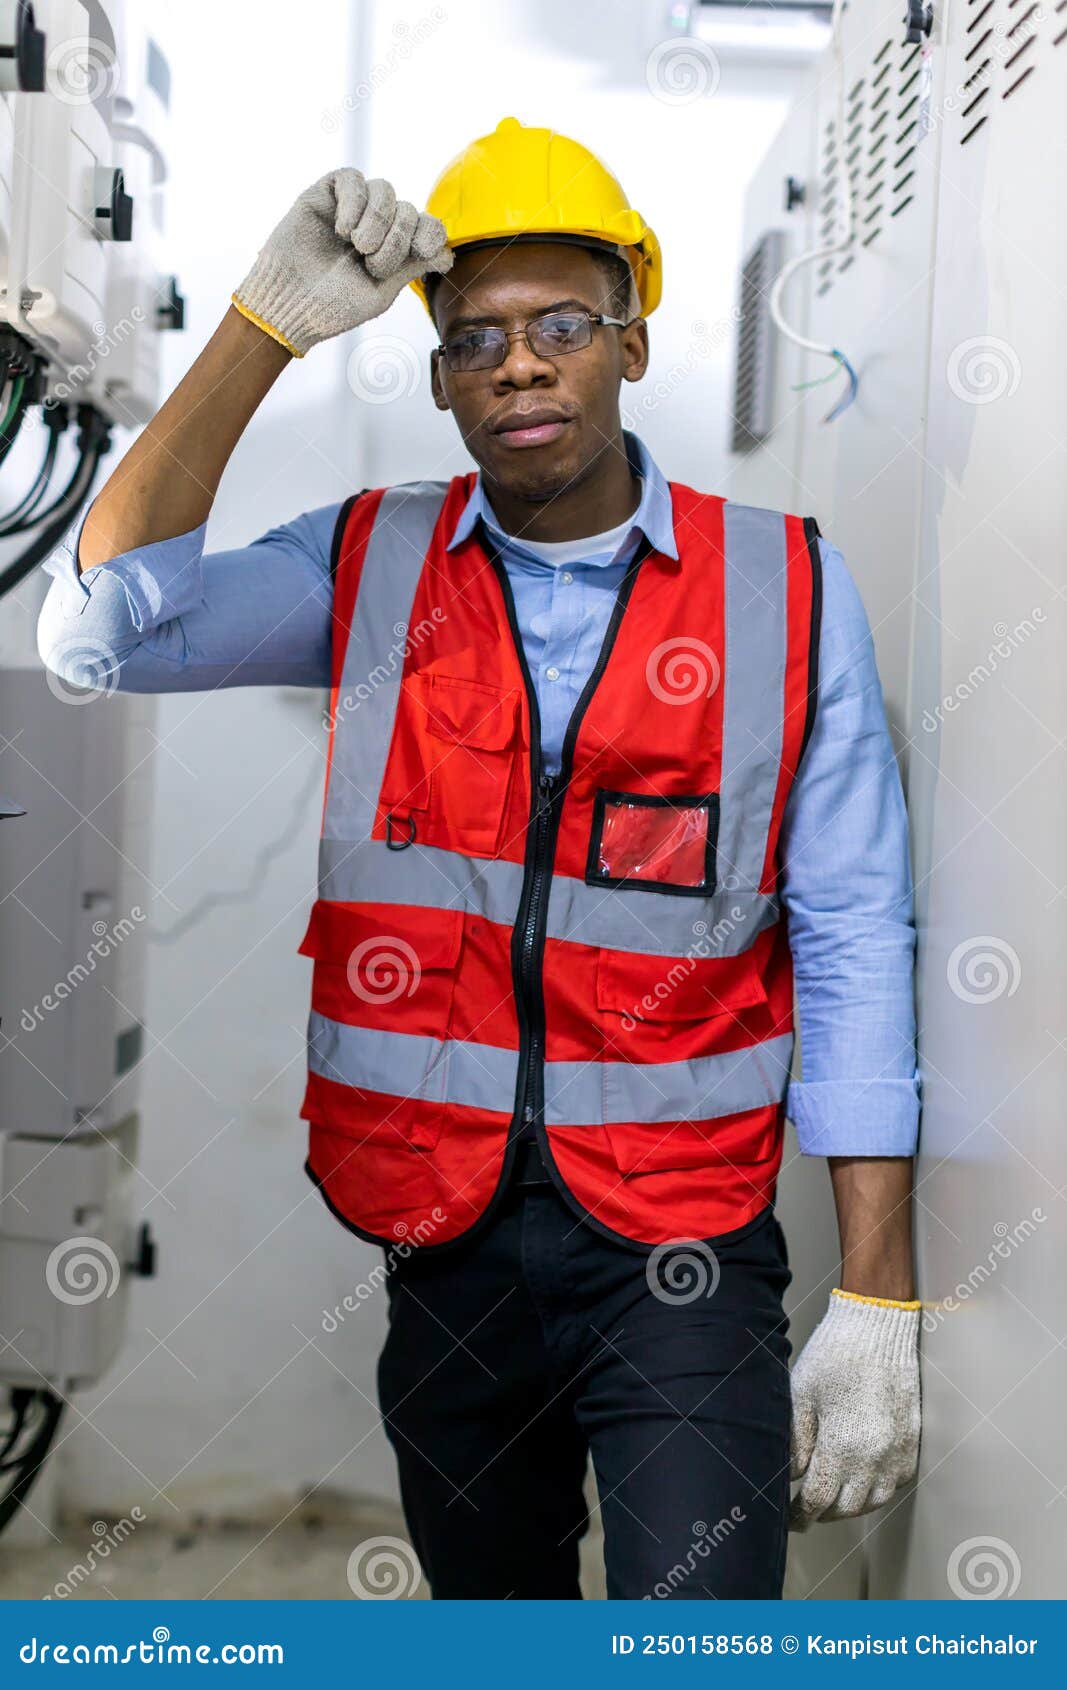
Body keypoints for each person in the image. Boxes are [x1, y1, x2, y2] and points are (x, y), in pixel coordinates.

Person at [37, 117, 922, 1600]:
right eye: (475, 339)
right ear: (441, 370)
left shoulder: (782, 586)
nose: (519, 365)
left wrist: (881, 1289)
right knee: (494, 1633)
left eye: (562, 324)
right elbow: (93, 633)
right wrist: (261, 332)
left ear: (631, 343)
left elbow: (853, 935)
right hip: (441, 1243)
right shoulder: (369, 561)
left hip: (682, 1254)